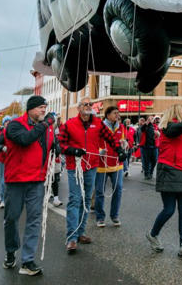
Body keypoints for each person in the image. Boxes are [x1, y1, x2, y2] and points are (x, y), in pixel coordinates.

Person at [59, 97, 127, 253]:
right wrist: (71, 150)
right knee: (75, 199)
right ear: (79, 108)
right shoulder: (69, 124)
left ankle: (81, 232)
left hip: (92, 166)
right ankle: (72, 238)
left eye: (90, 104)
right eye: (85, 104)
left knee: (86, 199)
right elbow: (60, 143)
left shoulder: (98, 123)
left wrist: (119, 151)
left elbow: (110, 138)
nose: (89, 106)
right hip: (74, 166)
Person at [1, 96, 56, 276]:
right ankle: (11, 251)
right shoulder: (15, 125)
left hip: (37, 180)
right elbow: (25, 139)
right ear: (30, 109)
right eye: (40, 107)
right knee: (12, 218)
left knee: (34, 219)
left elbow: (52, 145)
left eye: (45, 107)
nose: (43, 110)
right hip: (16, 180)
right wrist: (46, 124)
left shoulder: (46, 129)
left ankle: (28, 260)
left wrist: (61, 149)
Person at [146, 105, 182, 258]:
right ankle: (153, 234)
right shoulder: (169, 127)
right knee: (169, 209)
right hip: (169, 171)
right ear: (177, 112)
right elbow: (178, 128)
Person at [95, 105, 128, 228]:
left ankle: (114, 215)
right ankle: (100, 217)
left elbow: (124, 140)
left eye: (118, 113)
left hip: (117, 164)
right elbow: (93, 142)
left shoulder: (122, 127)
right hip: (102, 164)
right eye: (115, 113)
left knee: (118, 190)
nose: (117, 115)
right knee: (99, 192)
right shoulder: (100, 127)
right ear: (107, 115)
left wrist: (125, 144)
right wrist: (99, 150)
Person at [0, 117, 12, 208]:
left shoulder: (14, 132)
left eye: (9, 122)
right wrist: (2, 147)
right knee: (3, 179)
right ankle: (2, 198)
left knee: (10, 180)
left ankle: (6, 197)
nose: (8, 123)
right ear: (4, 124)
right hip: (3, 160)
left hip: (12, 160)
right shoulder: (3, 133)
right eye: (6, 122)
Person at [139, 116, 160, 180]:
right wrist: (147, 122)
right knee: (147, 161)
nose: (151, 120)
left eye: (152, 119)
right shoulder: (145, 126)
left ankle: (151, 172)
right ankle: (147, 174)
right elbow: (142, 129)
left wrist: (158, 134)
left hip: (154, 146)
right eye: (149, 119)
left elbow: (159, 134)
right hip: (146, 146)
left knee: (154, 160)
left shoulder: (155, 126)